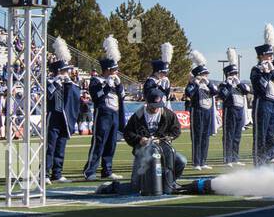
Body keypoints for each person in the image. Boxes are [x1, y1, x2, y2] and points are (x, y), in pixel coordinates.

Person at [83, 36, 127, 181]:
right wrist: (107, 86)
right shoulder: (96, 81)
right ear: (107, 70)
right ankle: (90, 171)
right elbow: (97, 97)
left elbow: (122, 96)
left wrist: (119, 86)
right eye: (114, 70)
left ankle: (107, 170)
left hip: (114, 114)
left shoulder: (115, 81)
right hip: (102, 114)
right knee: (99, 142)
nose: (116, 72)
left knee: (111, 143)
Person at [124, 95, 185, 195]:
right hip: (143, 150)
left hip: (163, 148)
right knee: (135, 185)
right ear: (147, 103)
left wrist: (165, 139)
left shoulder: (168, 114)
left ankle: (169, 182)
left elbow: (176, 131)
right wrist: (139, 139)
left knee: (182, 161)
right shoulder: (138, 115)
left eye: (158, 105)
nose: (156, 108)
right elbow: (128, 133)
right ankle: (111, 187)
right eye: (153, 106)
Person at [45, 38, 81, 182]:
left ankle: (57, 173)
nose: (68, 73)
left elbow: (75, 96)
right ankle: (45, 174)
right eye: (65, 71)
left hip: (64, 118)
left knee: (61, 146)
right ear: (59, 71)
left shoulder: (70, 83)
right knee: (50, 146)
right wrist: (56, 82)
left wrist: (69, 84)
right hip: (53, 115)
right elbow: (47, 95)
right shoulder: (49, 81)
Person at [250, 25, 274, 165]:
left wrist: (273, 73)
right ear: (260, 56)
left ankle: (269, 158)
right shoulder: (256, 70)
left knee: (271, 135)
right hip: (262, 104)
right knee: (261, 135)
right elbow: (261, 88)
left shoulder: (273, 70)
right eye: (268, 55)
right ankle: (259, 163)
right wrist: (266, 73)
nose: (270, 58)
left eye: (271, 55)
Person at [184, 50, 218, 170]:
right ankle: (196, 162)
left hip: (207, 112)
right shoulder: (193, 84)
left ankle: (203, 161)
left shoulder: (209, 84)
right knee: (197, 137)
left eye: (206, 74)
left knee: (205, 136)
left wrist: (207, 83)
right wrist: (196, 82)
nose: (205, 76)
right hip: (197, 111)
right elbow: (188, 93)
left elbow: (215, 92)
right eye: (203, 74)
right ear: (198, 75)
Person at [217, 48, 249, 166]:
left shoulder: (239, 85)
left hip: (240, 112)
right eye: (232, 74)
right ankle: (227, 159)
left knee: (237, 136)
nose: (234, 75)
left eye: (236, 73)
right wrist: (229, 84)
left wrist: (238, 82)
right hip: (230, 111)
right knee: (229, 135)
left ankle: (235, 158)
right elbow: (222, 95)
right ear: (227, 75)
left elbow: (246, 91)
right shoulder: (224, 85)